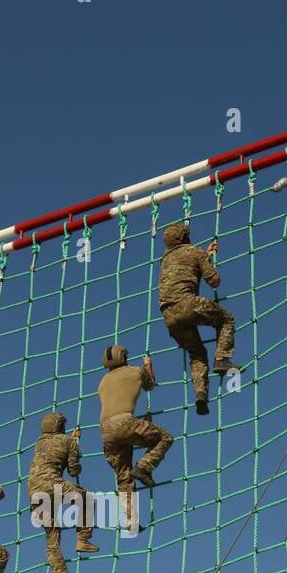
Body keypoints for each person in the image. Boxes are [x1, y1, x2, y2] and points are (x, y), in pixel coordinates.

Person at [158, 221, 236, 415]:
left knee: (197, 352)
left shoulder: (165, 259)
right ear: (185, 237)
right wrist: (206, 259)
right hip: (188, 304)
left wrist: (204, 256)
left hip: (168, 315)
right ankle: (222, 359)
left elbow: (183, 268)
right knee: (226, 318)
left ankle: (200, 393)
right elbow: (215, 281)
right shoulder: (194, 251)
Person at [97, 345, 173, 527]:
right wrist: (148, 367)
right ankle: (144, 466)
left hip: (106, 431)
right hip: (126, 423)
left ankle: (130, 520)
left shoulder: (102, 381)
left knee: (123, 474)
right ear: (123, 357)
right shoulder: (135, 372)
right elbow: (150, 385)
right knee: (165, 437)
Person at [27, 412, 98, 573]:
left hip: (34, 490)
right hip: (53, 484)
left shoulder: (39, 442)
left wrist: (70, 441)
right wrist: (74, 444)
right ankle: (83, 538)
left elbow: (53, 452)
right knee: (86, 497)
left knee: (52, 536)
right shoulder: (68, 441)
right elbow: (73, 471)